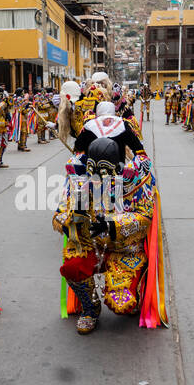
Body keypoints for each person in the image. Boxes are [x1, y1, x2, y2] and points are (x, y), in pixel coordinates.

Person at [54, 137, 164, 334]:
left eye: (103, 169)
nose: (97, 175)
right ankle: (90, 308)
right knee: (72, 267)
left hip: (124, 250)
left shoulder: (134, 180)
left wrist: (113, 225)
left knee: (122, 304)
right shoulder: (80, 180)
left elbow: (145, 216)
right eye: (93, 168)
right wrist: (74, 215)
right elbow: (58, 215)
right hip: (92, 245)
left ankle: (136, 290)